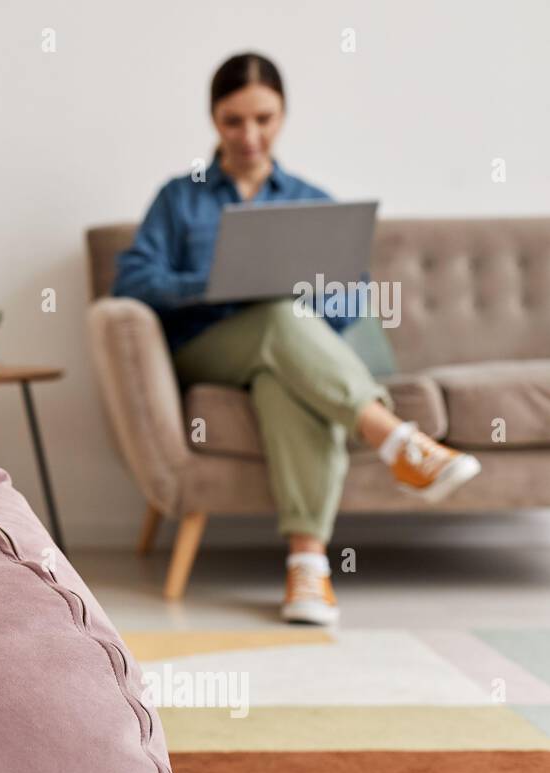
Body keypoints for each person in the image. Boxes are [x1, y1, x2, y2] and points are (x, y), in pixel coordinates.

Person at [113, 52, 480, 625]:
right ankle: (395, 439)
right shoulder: (179, 198)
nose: (250, 136)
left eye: (264, 119)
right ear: (214, 119)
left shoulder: (310, 197)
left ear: (283, 115)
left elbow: (353, 296)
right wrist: (217, 282)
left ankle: (307, 569)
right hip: (208, 350)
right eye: (234, 121)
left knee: (283, 370)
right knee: (279, 319)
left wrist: (309, 293)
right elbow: (133, 279)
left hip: (284, 357)